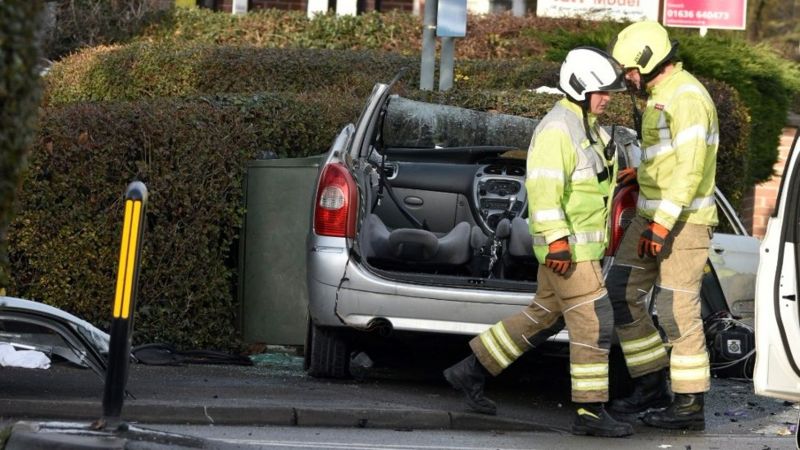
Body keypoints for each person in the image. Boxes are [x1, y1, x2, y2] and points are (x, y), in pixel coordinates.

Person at [443, 46, 633, 438]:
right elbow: (545, 191)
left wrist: (620, 179)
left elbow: (586, 183)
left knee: (541, 318)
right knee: (596, 323)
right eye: (601, 91)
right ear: (579, 88)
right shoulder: (558, 128)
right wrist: (558, 242)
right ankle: (590, 411)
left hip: (580, 250)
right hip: (570, 252)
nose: (607, 98)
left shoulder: (585, 125)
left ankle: (470, 370)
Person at [606, 21, 719, 431]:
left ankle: (689, 406)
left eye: (630, 70)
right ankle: (651, 384)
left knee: (676, 309)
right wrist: (644, 172)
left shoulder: (686, 97)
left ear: (650, 62)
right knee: (621, 289)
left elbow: (690, 170)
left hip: (682, 223)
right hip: (655, 216)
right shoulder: (663, 95)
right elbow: (672, 158)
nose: (628, 78)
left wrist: (662, 225)